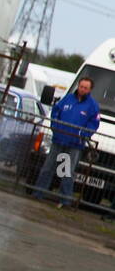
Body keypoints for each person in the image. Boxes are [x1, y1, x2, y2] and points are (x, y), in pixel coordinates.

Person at [31, 76, 102, 207]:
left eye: (86, 88)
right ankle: (38, 192)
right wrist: (55, 127)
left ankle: (65, 199)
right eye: (81, 86)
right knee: (48, 167)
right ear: (78, 86)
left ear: (90, 90)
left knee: (67, 173)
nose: (82, 89)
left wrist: (82, 134)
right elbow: (55, 112)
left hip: (75, 144)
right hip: (58, 139)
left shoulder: (93, 106)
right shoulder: (67, 98)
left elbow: (94, 124)